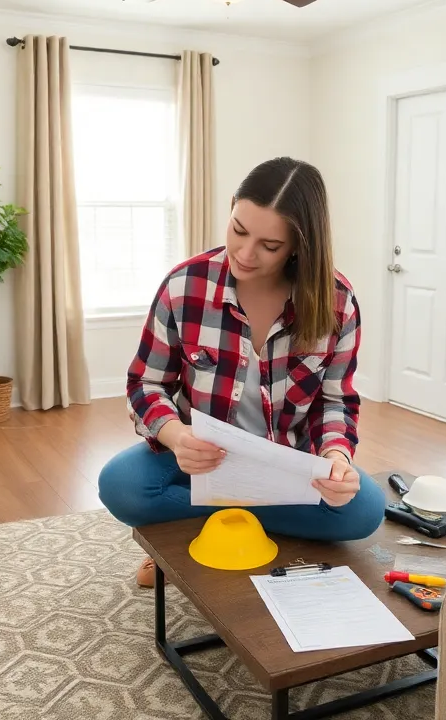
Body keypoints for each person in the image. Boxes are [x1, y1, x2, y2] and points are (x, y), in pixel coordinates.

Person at [97, 156, 385, 587]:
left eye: (269, 246)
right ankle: (250, 528)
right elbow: (146, 383)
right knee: (120, 485)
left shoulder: (337, 302)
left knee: (364, 510)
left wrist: (336, 458)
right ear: (231, 207)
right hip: (202, 463)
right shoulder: (184, 285)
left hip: (288, 462)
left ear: (298, 247)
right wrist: (177, 436)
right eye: (238, 229)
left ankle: (195, 534)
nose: (245, 254)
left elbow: (335, 401)